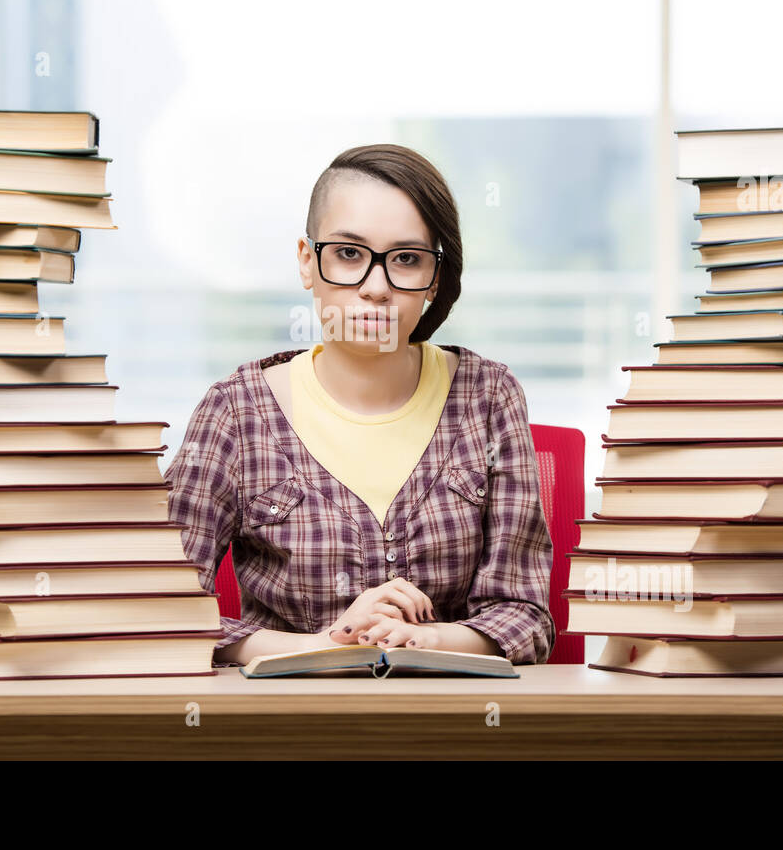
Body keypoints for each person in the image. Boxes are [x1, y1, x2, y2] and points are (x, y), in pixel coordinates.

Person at [164, 143, 555, 667]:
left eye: (407, 260)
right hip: (283, 726)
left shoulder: (488, 397)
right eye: (349, 254)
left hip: (456, 726)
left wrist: (427, 639)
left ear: (434, 279)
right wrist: (326, 643)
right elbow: (159, 609)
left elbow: (525, 616)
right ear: (307, 260)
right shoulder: (235, 412)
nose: (375, 288)